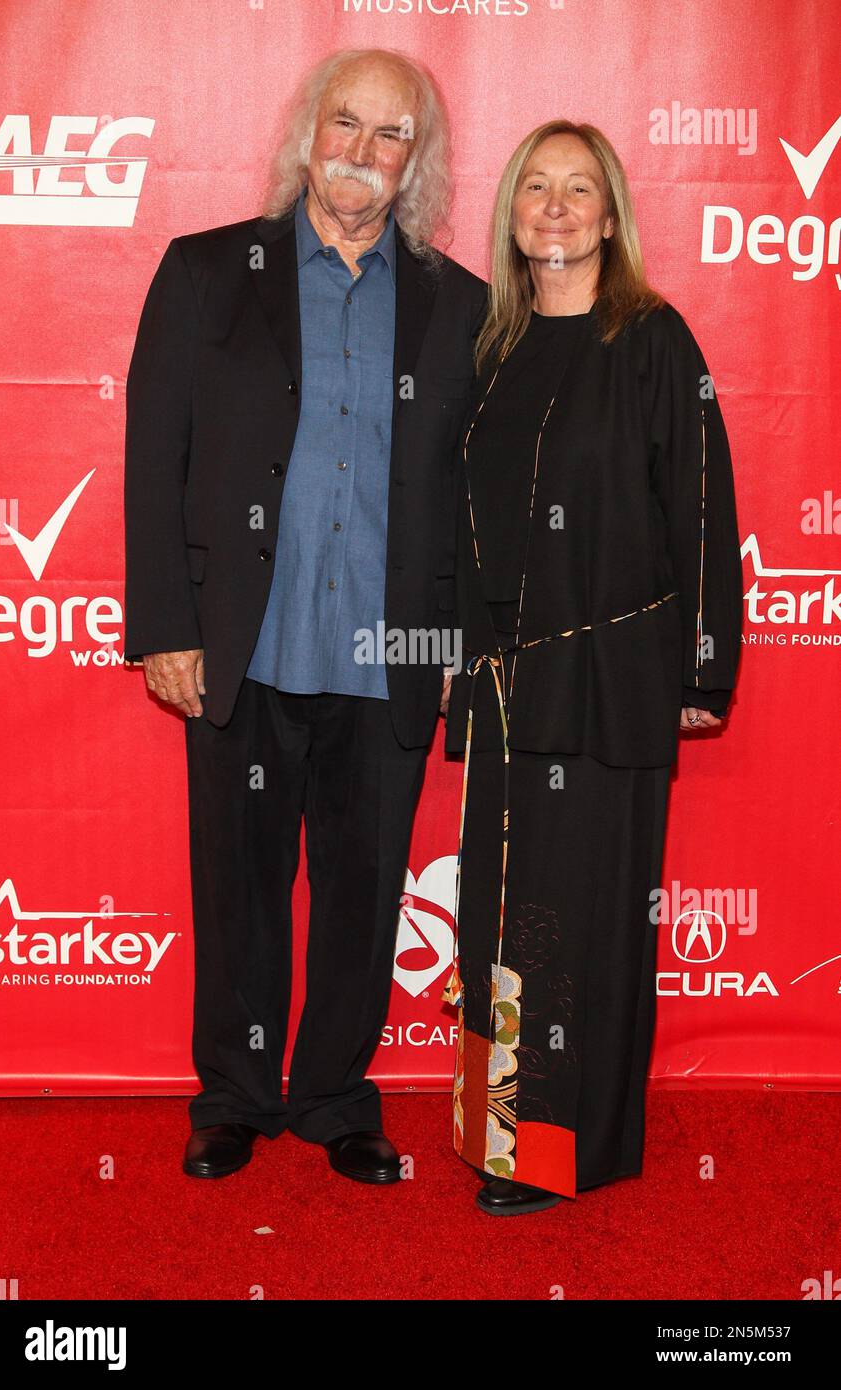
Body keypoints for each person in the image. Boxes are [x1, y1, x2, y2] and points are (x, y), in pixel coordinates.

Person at [124, 48, 486, 1185]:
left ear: (414, 161)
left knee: (363, 887)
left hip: (391, 654)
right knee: (236, 881)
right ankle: (232, 1095)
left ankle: (334, 1095)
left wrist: (460, 654)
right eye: (347, 123)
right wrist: (164, 623)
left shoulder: (461, 305)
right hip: (243, 642)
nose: (363, 153)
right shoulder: (202, 273)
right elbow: (152, 459)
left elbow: (473, 502)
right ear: (306, 131)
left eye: (391, 135)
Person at [442, 120, 743, 1215]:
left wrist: (702, 668)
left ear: (609, 215)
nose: (555, 206)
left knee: (583, 919)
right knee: (502, 919)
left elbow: (702, 505)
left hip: (608, 674)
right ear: (511, 213)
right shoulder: (492, 348)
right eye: (535, 187)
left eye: (578, 190)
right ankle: (502, 1135)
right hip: (501, 684)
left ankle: (570, 1150)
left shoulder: (654, 340)